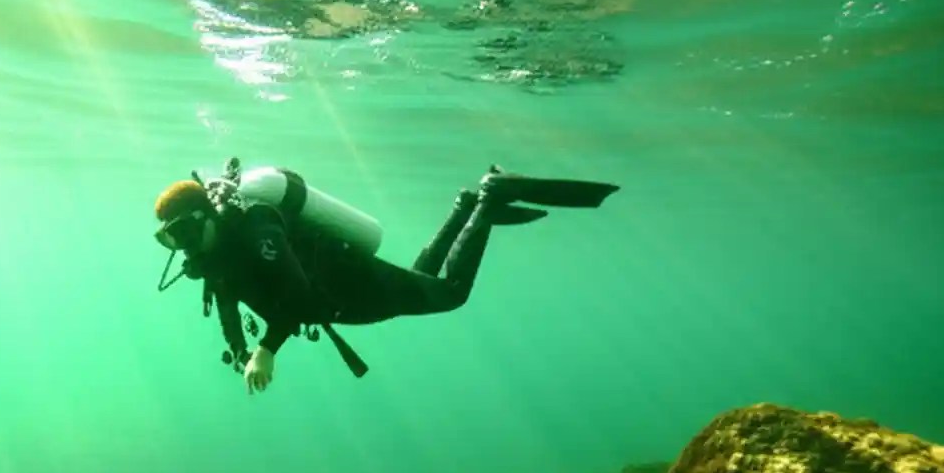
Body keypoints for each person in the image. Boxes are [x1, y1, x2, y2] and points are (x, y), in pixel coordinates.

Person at [151, 162, 618, 394]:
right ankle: (466, 209)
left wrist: (267, 350)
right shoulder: (215, 250)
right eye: (174, 240)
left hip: (353, 285)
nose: (188, 245)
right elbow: (228, 299)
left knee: (450, 294)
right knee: (418, 280)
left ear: (205, 212)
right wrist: (238, 347)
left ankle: (490, 201)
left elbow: (296, 292)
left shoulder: (254, 225)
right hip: (348, 297)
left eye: (189, 230)